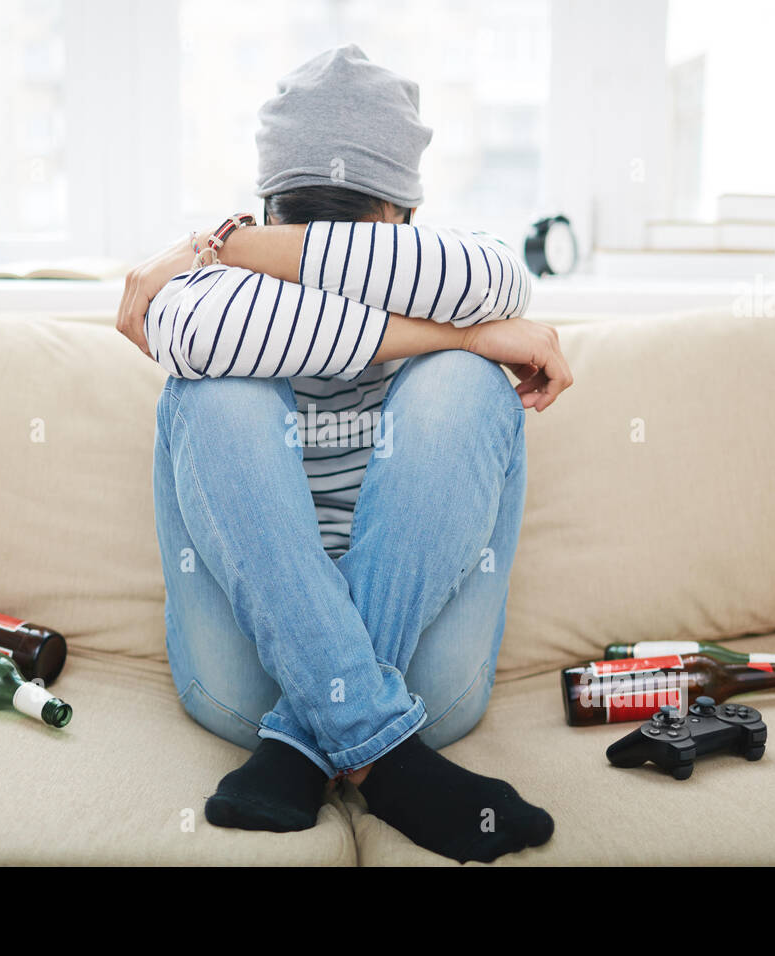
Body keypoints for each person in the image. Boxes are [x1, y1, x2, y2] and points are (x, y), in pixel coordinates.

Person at [117, 45, 572, 864]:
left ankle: (306, 744)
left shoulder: (453, 268)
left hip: (423, 674)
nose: (321, 244)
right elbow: (194, 334)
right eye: (304, 215)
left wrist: (238, 244)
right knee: (212, 392)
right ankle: (381, 753)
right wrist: (469, 335)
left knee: (467, 384)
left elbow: (498, 278)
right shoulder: (208, 294)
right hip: (246, 676)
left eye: (346, 215)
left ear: (403, 218)